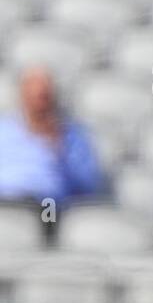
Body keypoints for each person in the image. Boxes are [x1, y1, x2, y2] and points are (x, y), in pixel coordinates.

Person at [0, 67, 104, 212]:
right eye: (33, 97)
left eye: (44, 97)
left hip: (48, 205)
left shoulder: (71, 135)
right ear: (22, 96)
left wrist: (60, 149)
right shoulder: (4, 129)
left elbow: (88, 185)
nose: (39, 105)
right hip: (7, 202)